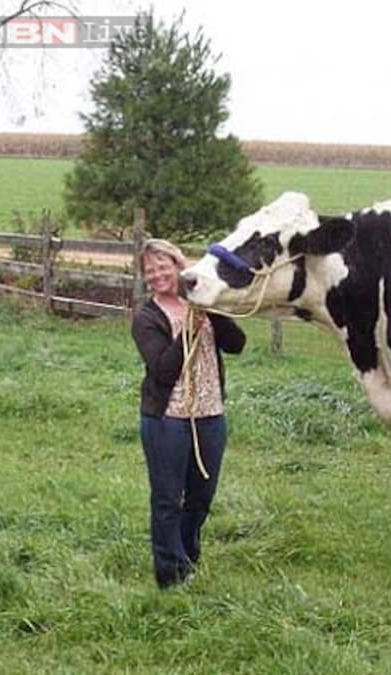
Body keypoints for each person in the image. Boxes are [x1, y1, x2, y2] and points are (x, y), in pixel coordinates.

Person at [131, 239, 246, 588]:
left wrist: (210, 309)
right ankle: (171, 574)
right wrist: (188, 331)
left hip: (210, 415)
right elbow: (164, 371)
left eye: (163, 266)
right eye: (150, 271)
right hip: (168, 419)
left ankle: (188, 556)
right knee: (168, 499)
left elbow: (237, 344)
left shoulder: (201, 303)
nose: (157, 275)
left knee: (200, 497)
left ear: (179, 266)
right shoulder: (146, 318)